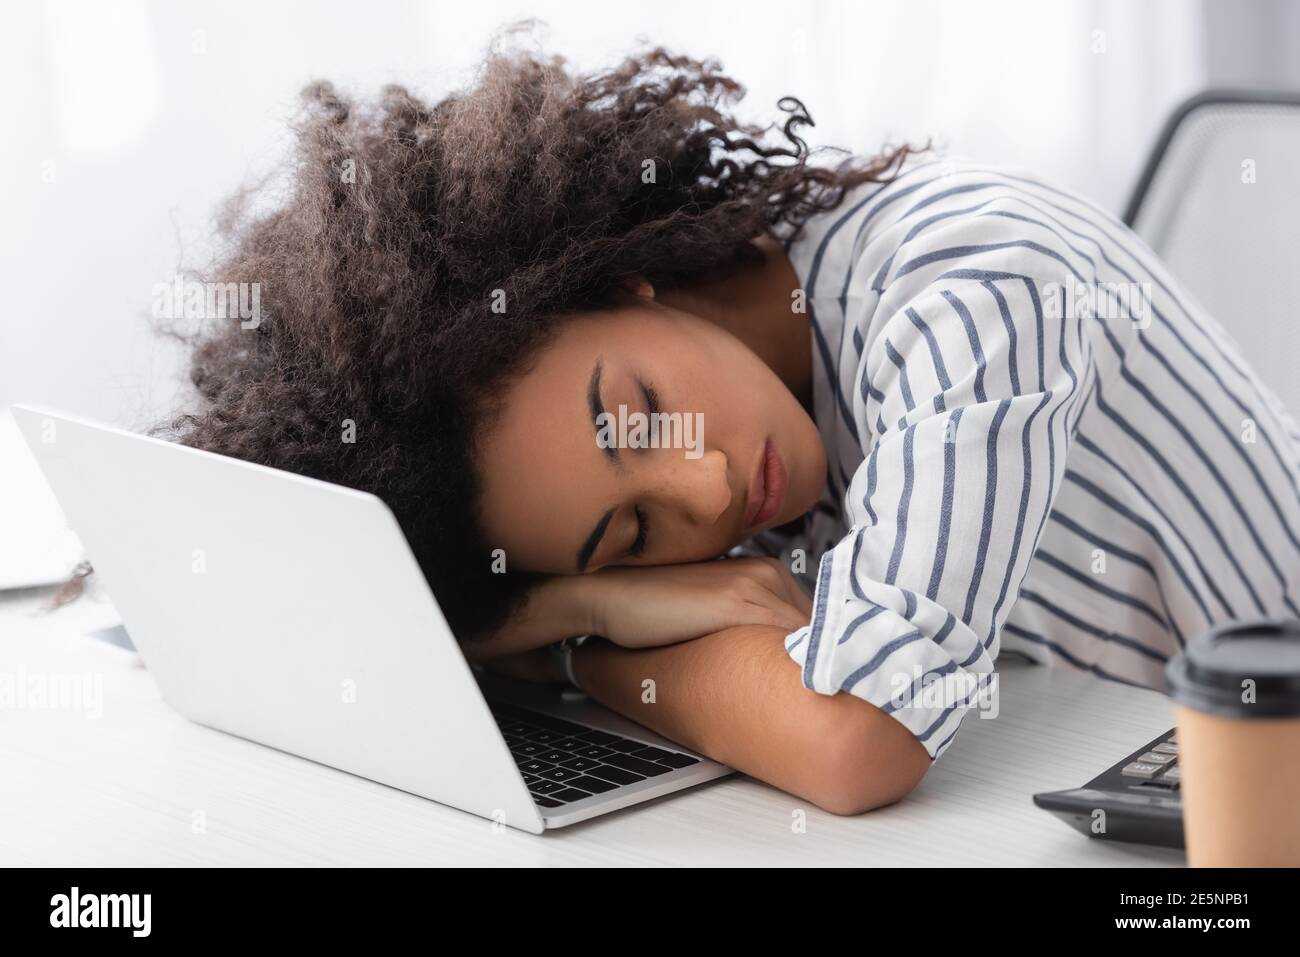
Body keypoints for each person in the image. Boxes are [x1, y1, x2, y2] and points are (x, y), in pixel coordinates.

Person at [171, 46, 1300, 814]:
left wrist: (574, 630)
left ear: (626, 279)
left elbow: (854, 741)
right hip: (1129, 771)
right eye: (628, 538)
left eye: (638, 417)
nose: (708, 493)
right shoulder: (759, 396)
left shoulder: (965, 285)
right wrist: (571, 597)